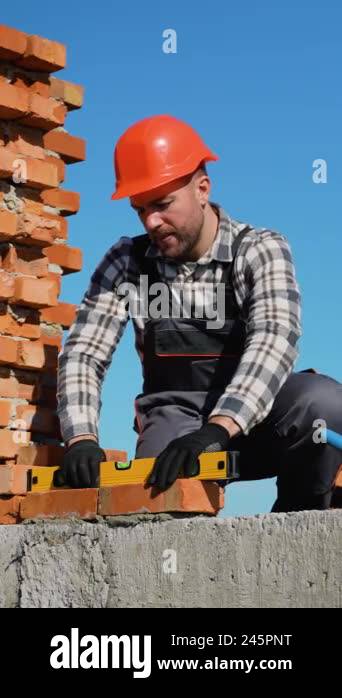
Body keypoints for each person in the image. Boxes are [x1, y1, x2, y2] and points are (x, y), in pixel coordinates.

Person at [56, 114, 342, 511]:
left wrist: (219, 428)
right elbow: (84, 353)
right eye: (140, 209)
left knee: (324, 407)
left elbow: (275, 338)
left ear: (202, 188)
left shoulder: (258, 250)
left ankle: (300, 528)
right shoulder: (127, 262)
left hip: (258, 416)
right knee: (154, 508)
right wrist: (81, 438)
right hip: (176, 420)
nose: (151, 221)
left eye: (162, 204)